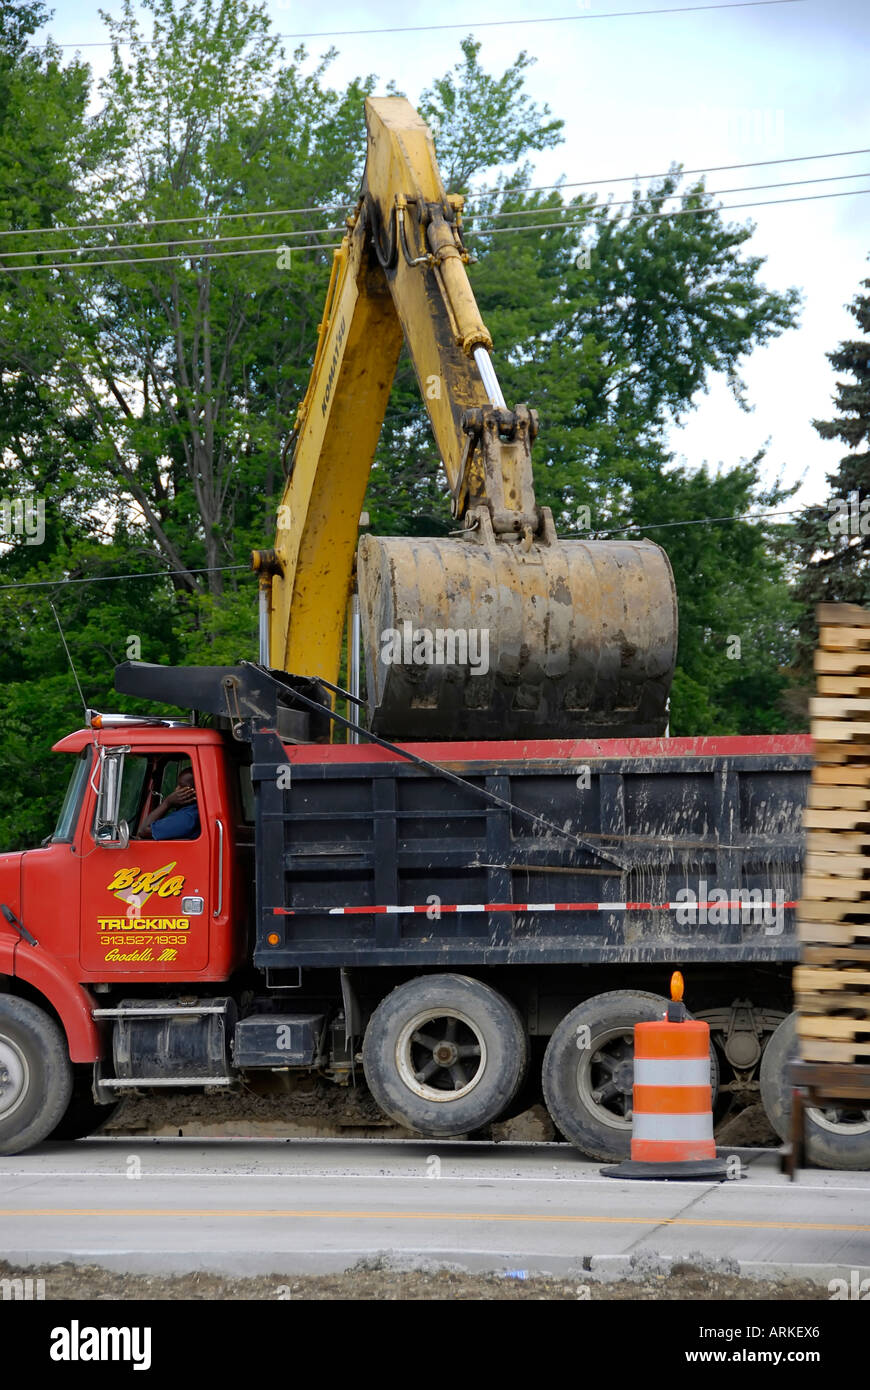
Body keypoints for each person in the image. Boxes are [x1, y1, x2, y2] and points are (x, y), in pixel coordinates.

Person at [140, 767, 200, 840]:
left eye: (182, 787)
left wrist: (167, 803)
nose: (176, 789)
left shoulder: (187, 817)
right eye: (178, 785)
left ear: (194, 792)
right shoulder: (192, 811)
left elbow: (143, 831)